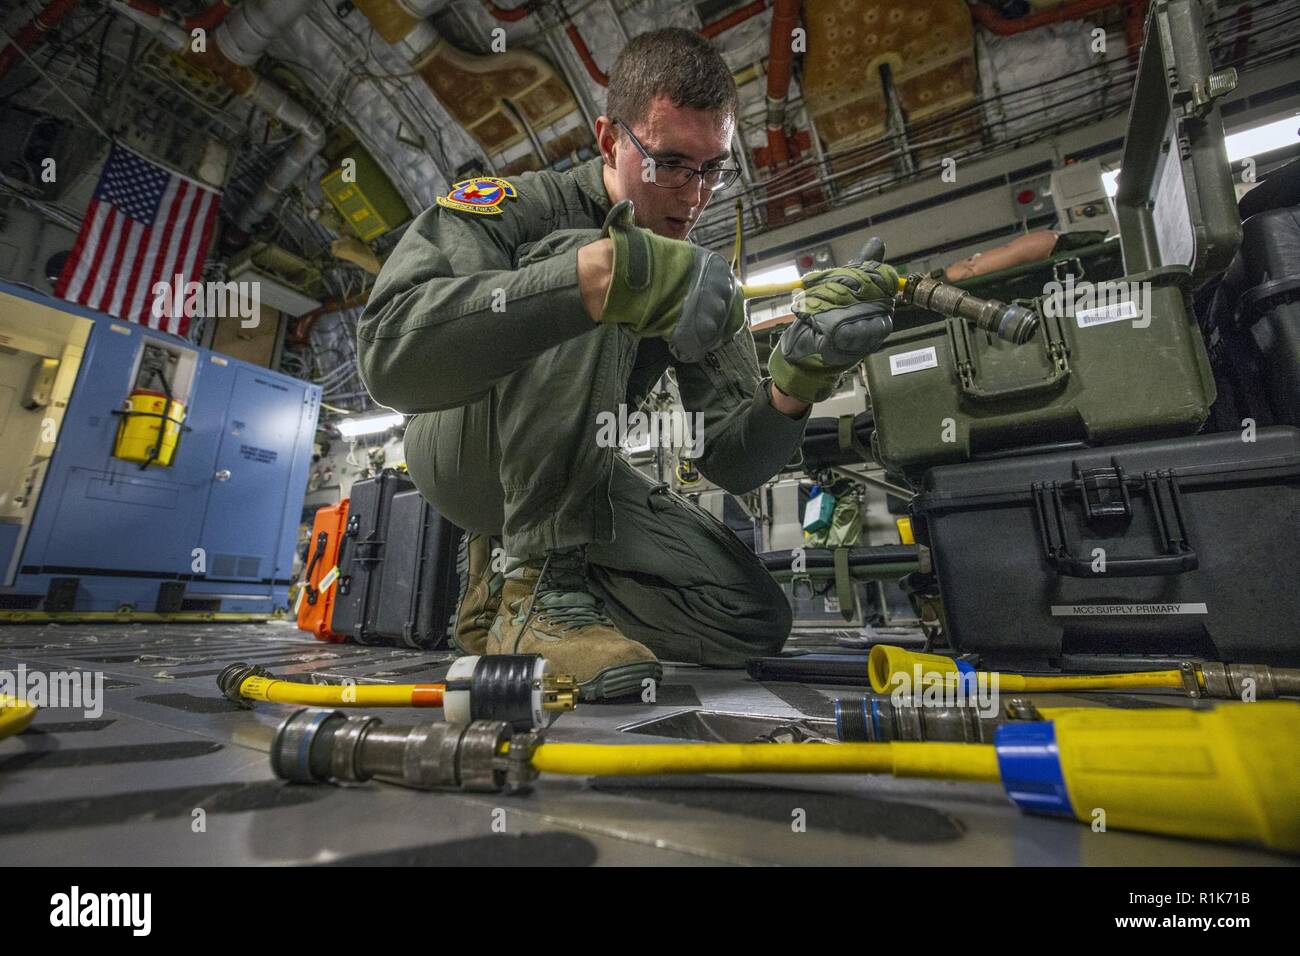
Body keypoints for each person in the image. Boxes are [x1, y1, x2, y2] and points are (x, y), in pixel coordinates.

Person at [357, 28, 896, 700]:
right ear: (611, 141)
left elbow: (729, 457)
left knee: (751, 619)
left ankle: (501, 599)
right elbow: (386, 358)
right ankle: (537, 604)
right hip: (458, 447)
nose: (694, 195)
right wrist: (592, 280)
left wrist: (798, 378)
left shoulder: (703, 274)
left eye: (712, 168)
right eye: (670, 163)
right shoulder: (517, 208)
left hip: (576, 472)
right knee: (598, 259)